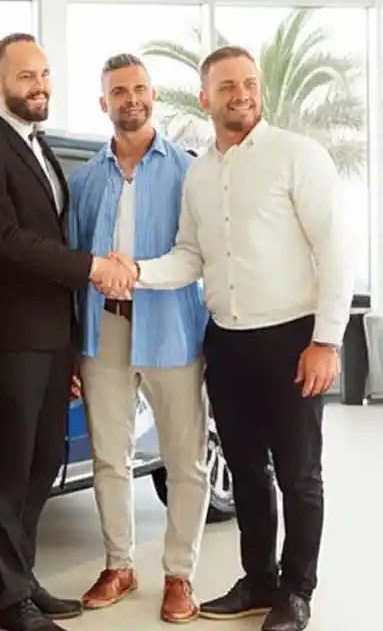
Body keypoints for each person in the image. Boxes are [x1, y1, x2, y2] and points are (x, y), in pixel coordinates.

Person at [114, 45, 350, 631]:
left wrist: (327, 339)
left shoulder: (298, 156)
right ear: (205, 98)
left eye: (249, 83)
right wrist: (137, 271)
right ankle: (259, 580)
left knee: (299, 474)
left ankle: (297, 592)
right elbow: (190, 255)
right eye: (227, 86)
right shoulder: (200, 172)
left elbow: (335, 250)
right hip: (227, 341)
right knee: (245, 470)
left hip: (293, 339)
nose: (241, 94)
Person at [0, 32, 135, 631]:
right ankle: (8, 607)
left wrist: (72, 341)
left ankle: (22, 580)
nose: (39, 86)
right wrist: (92, 267)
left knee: (42, 466)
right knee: (9, 471)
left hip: (53, 335)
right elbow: (4, 241)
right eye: (25, 77)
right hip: (12, 337)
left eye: (45, 74)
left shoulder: (37, 146)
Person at [67, 53, 212, 624]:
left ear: (153, 95)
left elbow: (198, 257)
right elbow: (71, 263)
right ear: (104, 103)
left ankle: (180, 576)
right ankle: (119, 565)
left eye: (140, 89)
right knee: (109, 457)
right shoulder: (83, 180)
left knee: (185, 461)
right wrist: (72, 347)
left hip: (173, 327)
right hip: (103, 329)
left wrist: (138, 271)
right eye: (118, 91)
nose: (131, 99)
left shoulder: (187, 170)